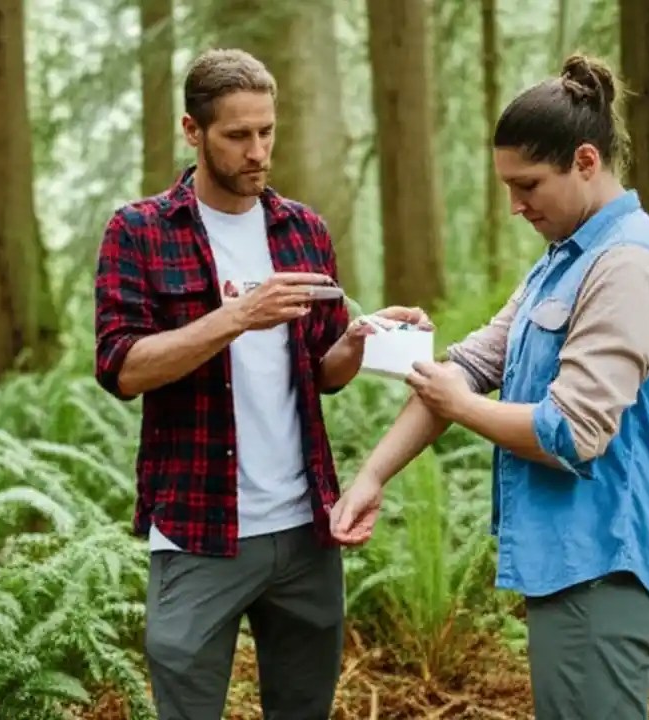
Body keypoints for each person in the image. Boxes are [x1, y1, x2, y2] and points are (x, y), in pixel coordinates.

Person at [330, 53, 649, 719]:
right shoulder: (561, 264)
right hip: (566, 561)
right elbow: (467, 367)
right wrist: (371, 474)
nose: (515, 205)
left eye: (527, 184)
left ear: (586, 162)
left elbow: (573, 432)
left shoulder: (629, 268)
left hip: (604, 563)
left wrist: (463, 407)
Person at [94, 48, 427, 720]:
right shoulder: (139, 231)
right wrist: (236, 317)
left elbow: (324, 373)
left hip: (306, 529)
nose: (257, 151)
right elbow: (123, 369)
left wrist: (358, 339)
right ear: (193, 131)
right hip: (198, 527)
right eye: (237, 135)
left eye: (267, 132)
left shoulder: (303, 230)